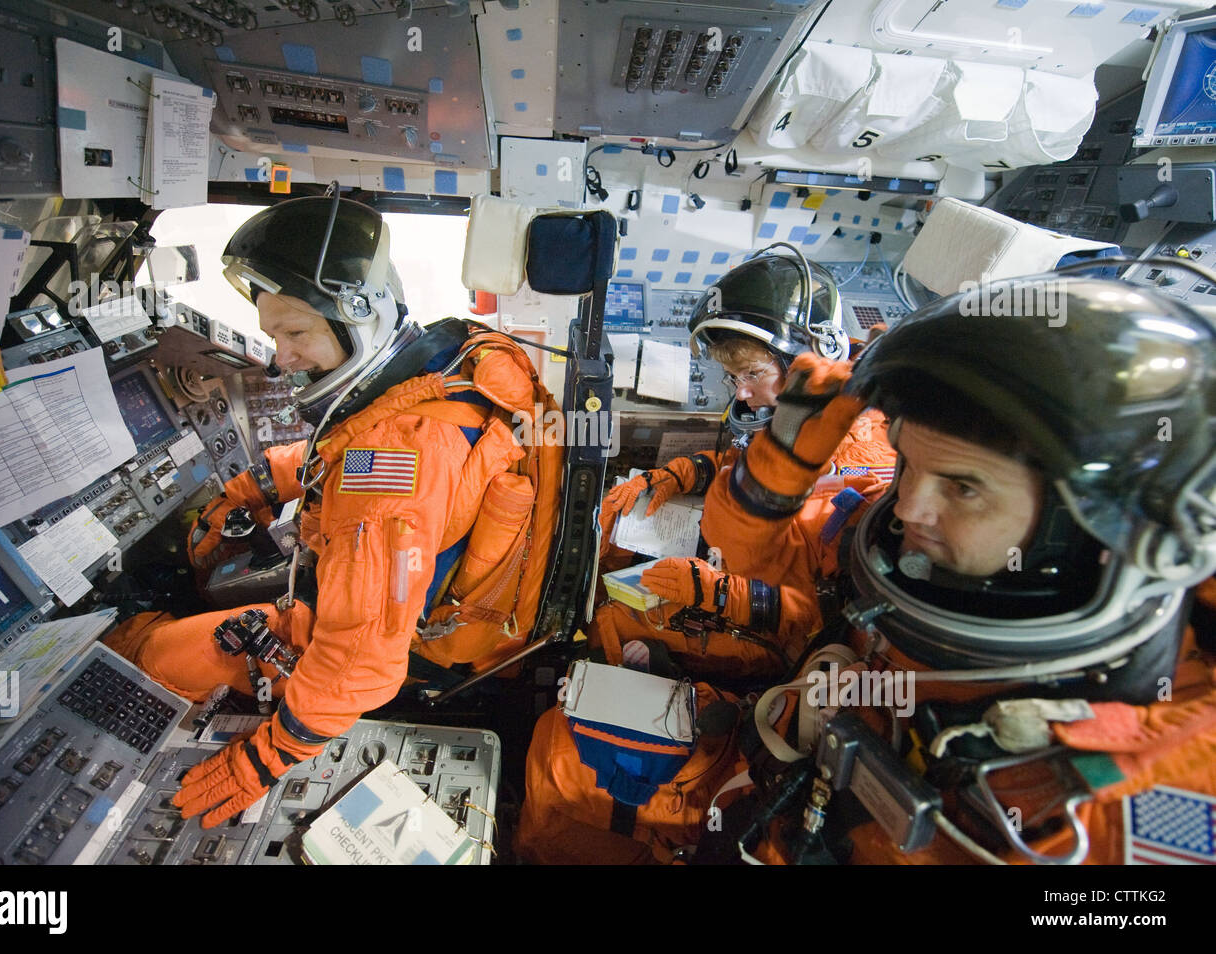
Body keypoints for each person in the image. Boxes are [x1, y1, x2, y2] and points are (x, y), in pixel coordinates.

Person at [520, 271, 1216, 865]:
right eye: (908, 463)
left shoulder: (1146, 796)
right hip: (786, 765)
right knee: (559, 749)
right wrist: (768, 477)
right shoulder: (889, 542)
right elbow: (773, 556)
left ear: (1099, 528)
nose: (909, 505)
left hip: (812, 807)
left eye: (963, 486)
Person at [106, 192, 562, 828]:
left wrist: (265, 759)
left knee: (152, 655)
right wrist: (256, 484)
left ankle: (118, 649)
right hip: (457, 603)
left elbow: (363, 657)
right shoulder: (452, 368)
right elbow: (361, 448)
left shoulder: (390, 477)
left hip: (408, 645)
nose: (280, 358)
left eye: (296, 333)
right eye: (273, 334)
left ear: (362, 317)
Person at [592, 249, 895, 682]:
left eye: (752, 374)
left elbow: (819, 614)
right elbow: (748, 468)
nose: (740, 394)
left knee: (612, 617)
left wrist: (720, 595)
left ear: (812, 354)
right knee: (614, 544)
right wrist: (683, 473)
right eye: (734, 379)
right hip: (732, 575)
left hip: (781, 645)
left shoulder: (856, 461)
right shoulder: (801, 425)